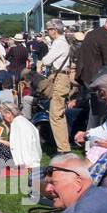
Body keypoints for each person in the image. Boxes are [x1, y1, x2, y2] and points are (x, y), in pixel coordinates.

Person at [38, 19, 74, 153]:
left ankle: (63, 149)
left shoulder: (59, 43)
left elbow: (47, 61)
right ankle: (63, 146)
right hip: (61, 77)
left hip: (59, 78)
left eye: (48, 30)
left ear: (54, 30)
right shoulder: (62, 42)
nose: (48, 32)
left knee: (55, 115)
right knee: (58, 114)